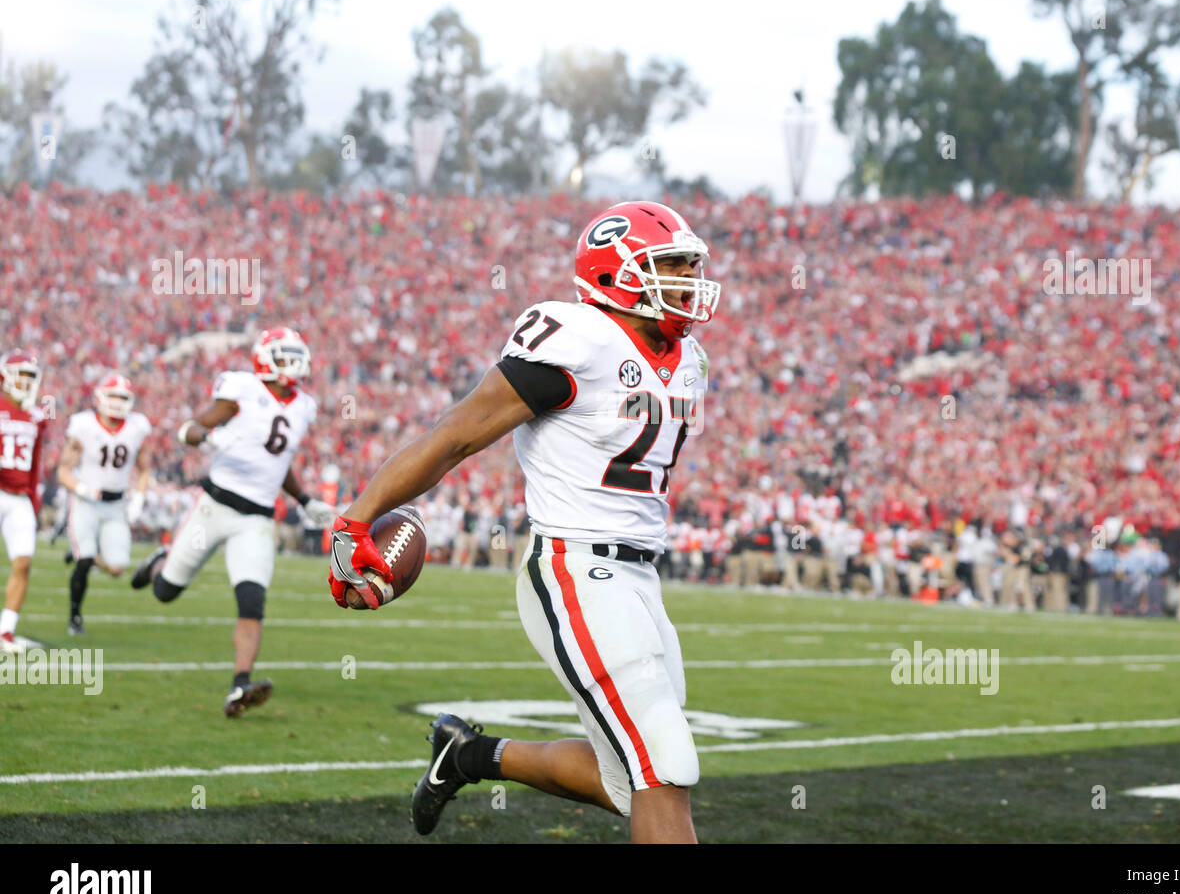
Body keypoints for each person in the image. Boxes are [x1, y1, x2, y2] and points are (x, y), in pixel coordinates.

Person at [328, 201, 719, 844]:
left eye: (688, 265)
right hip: (576, 569)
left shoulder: (690, 358)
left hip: (642, 579)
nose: (685, 279)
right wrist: (357, 519)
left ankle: (468, 756)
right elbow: (456, 435)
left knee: (629, 782)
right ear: (616, 274)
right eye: (669, 265)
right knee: (665, 766)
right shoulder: (576, 336)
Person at [131, 328, 335, 716]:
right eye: (284, 354)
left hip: (256, 519)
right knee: (165, 592)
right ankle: (161, 559)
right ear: (264, 358)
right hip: (214, 508)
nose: (293, 362)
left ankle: (239, 685)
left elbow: (278, 461)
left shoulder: (304, 406)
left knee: (252, 600)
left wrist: (306, 499)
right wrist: (207, 438)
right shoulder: (243, 389)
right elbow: (189, 429)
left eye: (296, 354)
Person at [56, 374, 153, 635]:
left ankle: (76, 550)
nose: (117, 402)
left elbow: (144, 469)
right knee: (85, 560)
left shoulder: (137, 427)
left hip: (116, 504)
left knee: (117, 567)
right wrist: (81, 488)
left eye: (123, 397)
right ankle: (75, 617)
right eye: (113, 396)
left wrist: (139, 499)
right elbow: (63, 471)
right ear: (100, 397)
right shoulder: (84, 425)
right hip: (85, 502)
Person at [0, 351, 47, 654]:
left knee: (24, 562)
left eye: (31, 377)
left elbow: (35, 463)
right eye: (21, 375)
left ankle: (5, 631)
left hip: (19, 498)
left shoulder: (37, 416)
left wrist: (33, 498)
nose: (26, 382)